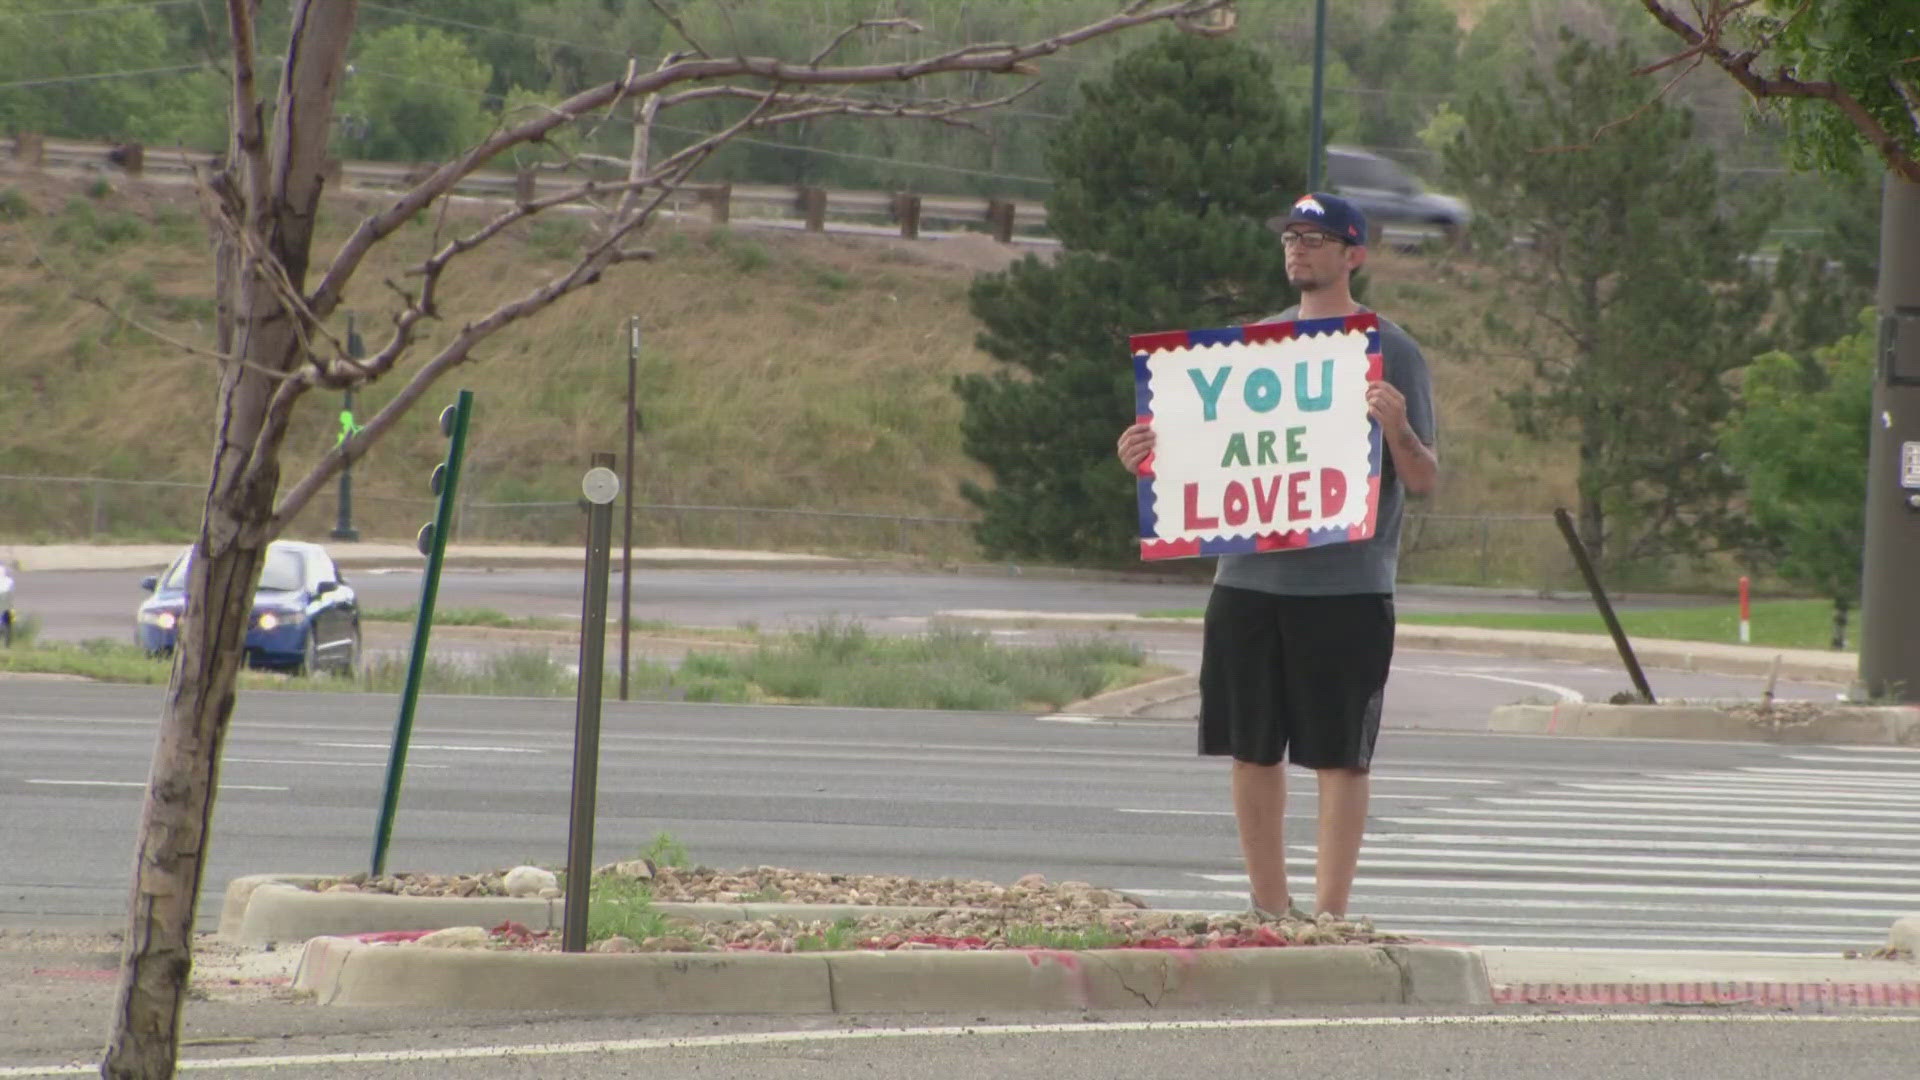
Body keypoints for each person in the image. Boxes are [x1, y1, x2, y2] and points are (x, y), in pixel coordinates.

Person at [1116, 192, 1438, 920]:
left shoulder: (1392, 349)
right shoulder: (1246, 347)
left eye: (1317, 238)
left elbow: (1423, 478)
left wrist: (1395, 427)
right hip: (1248, 582)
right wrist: (1144, 457)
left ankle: (1329, 915)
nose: (1299, 248)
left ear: (1353, 254)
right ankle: (1269, 908)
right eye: (1292, 237)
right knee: (1250, 748)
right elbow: (1206, 458)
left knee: (1339, 755)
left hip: (1348, 588)